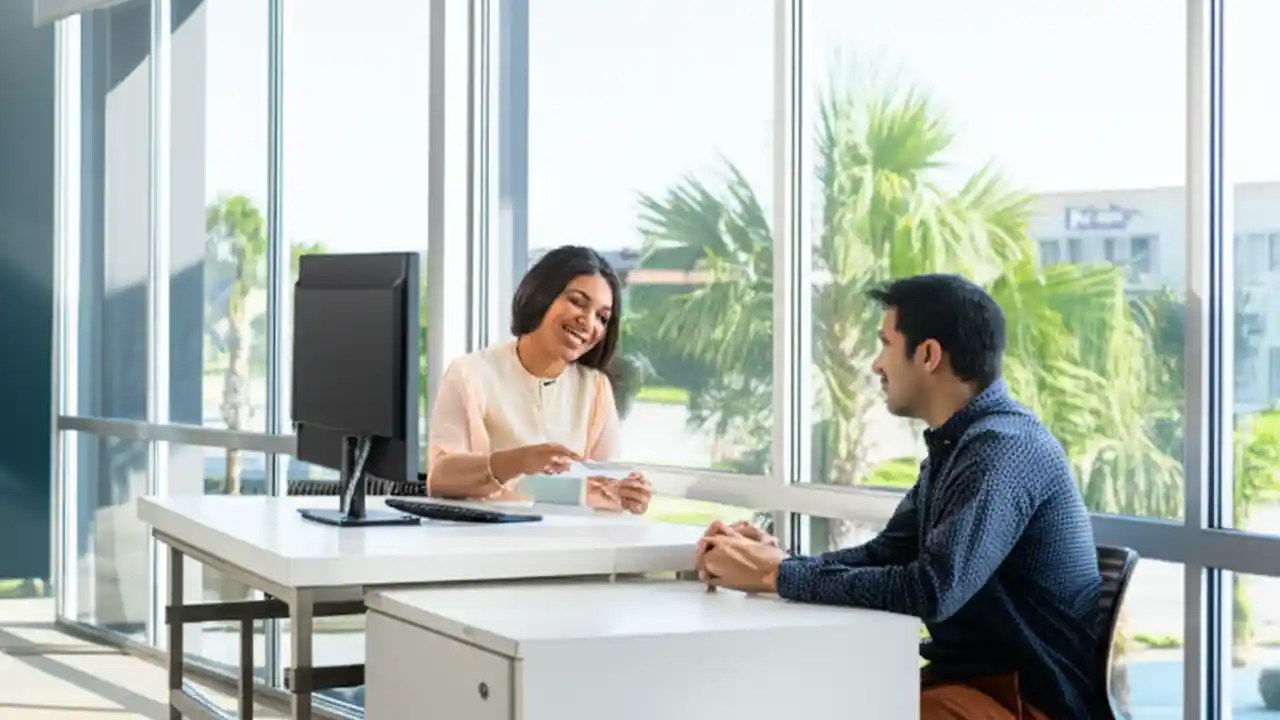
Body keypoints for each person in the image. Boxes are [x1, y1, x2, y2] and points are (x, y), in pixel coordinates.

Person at [695, 274, 1101, 719]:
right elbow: (886, 555)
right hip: (968, 687)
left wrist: (776, 576)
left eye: (885, 343)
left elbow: (930, 589)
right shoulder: (959, 444)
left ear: (927, 355)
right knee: (799, 693)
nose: (875, 364)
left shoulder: (1002, 447)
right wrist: (783, 563)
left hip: (1029, 704)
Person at [425, 245, 653, 514]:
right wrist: (520, 460)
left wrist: (627, 494)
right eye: (578, 301)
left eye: (602, 317)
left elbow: (604, 486)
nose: (588, 322)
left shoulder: (595, 387)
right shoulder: (470, 373)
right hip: (488, 544)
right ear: (541, 294)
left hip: (566, 544)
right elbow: (440, 478)